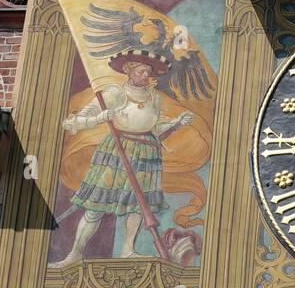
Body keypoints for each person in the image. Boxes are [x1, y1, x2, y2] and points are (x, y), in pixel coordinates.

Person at [55, 54, 194, 265]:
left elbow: (154, 129)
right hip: (119, 150)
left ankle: (128, 250)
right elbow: (77, 121)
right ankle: (75, 253)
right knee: (96, 205)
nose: (145, 75)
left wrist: (176, 123)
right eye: (141, 71)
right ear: (128, 70)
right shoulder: (114, 93)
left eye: (148, 72)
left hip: (146, 152)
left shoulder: (154, 98)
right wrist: (99, 118)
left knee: (138, 206)